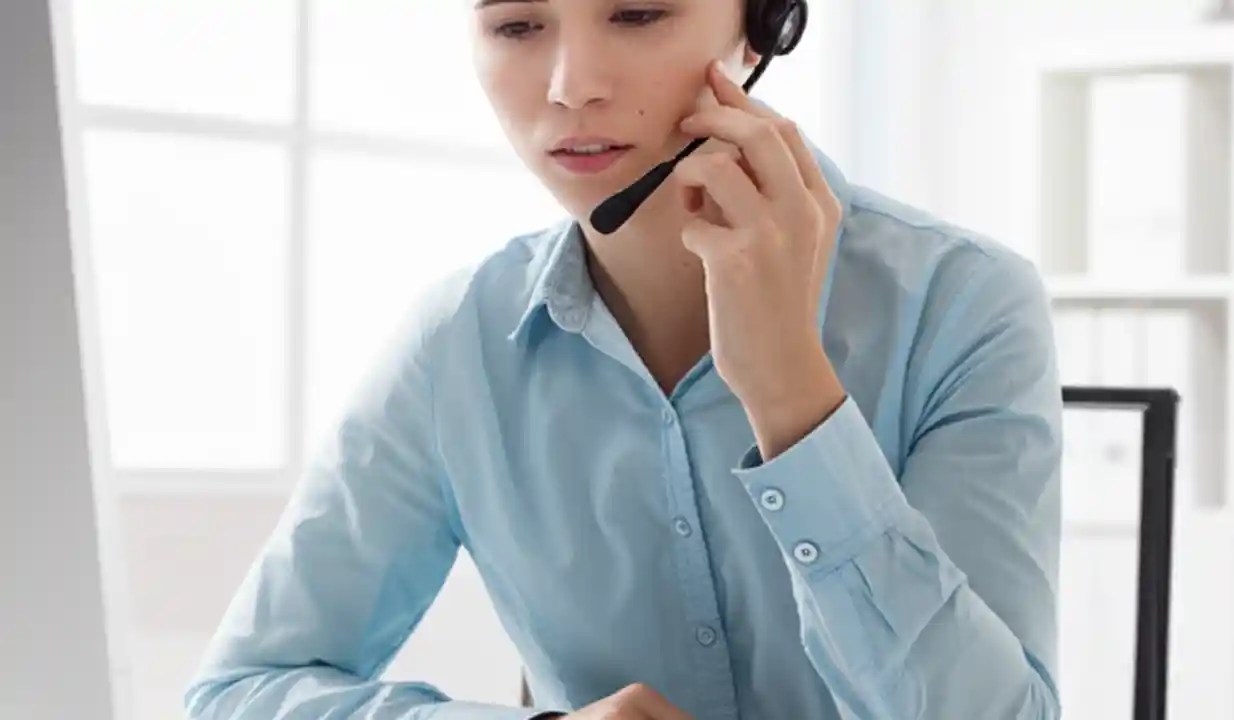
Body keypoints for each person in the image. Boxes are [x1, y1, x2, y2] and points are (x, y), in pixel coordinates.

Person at [184, 1, 1063, 718]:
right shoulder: (459, 340)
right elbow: (237, 695)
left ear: (763, 28)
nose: (571, 89)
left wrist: (791, 392)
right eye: (517, 27)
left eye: (637, 15)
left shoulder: (966, 303)